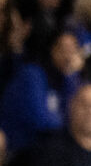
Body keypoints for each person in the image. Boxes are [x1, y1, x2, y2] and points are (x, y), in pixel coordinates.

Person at [0, 30, 85, 159]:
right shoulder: (32, 74)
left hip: (42, 151)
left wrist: (71, 77)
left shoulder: (68, 80)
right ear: (51, 49)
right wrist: (72, 125)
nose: (68, 56)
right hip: (15, 151)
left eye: (73, 50)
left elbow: (73, 110)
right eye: (63, 49)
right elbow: (41, 120)